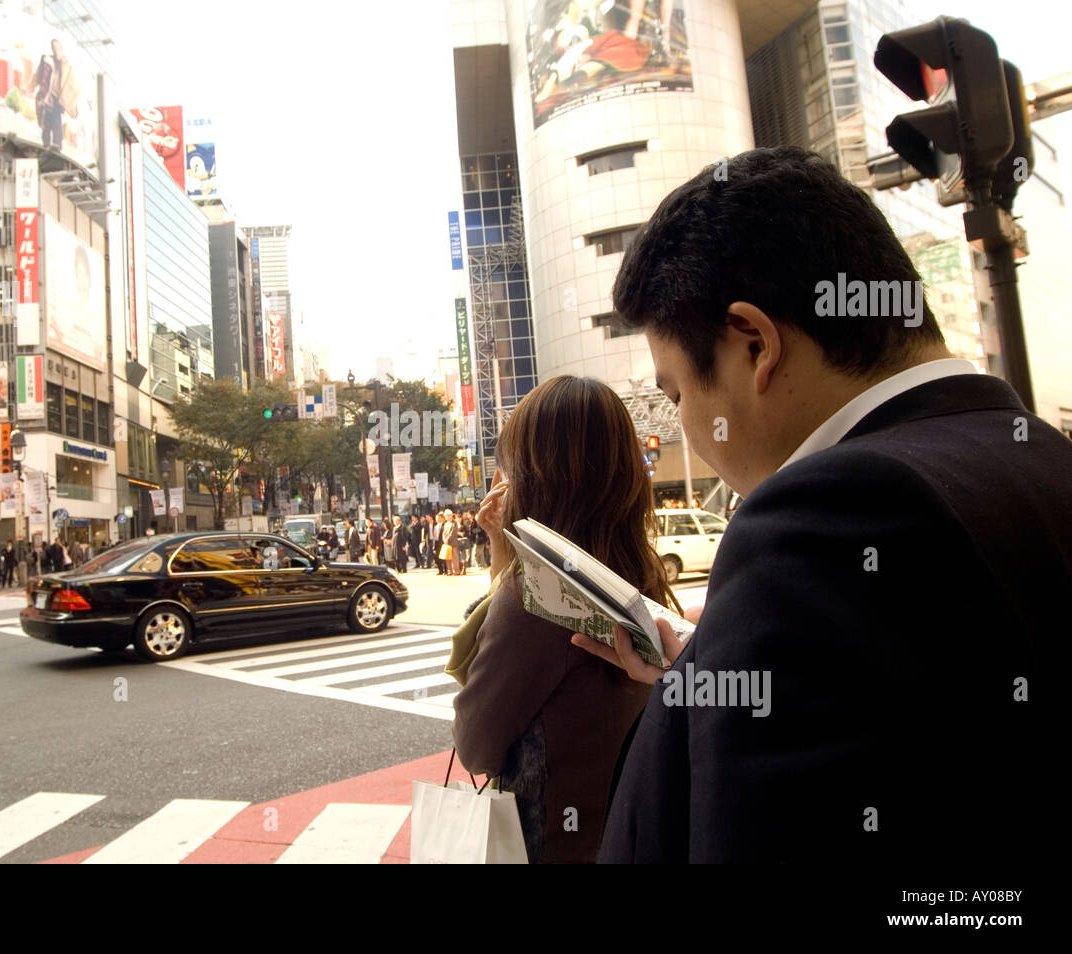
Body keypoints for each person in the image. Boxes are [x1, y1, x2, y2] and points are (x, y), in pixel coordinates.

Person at [590, 147, 1065, 863]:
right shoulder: (1042, 454)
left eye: (678, 392)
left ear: (754, 345)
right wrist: (712, 664)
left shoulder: (821, 524)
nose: (679, 419)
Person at [453, 376, 676, 863]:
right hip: (631, 836)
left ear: (529, 474)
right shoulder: (636, 574)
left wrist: (508, 567)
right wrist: (503, 547)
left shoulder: (534, 601)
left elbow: (474, 746)